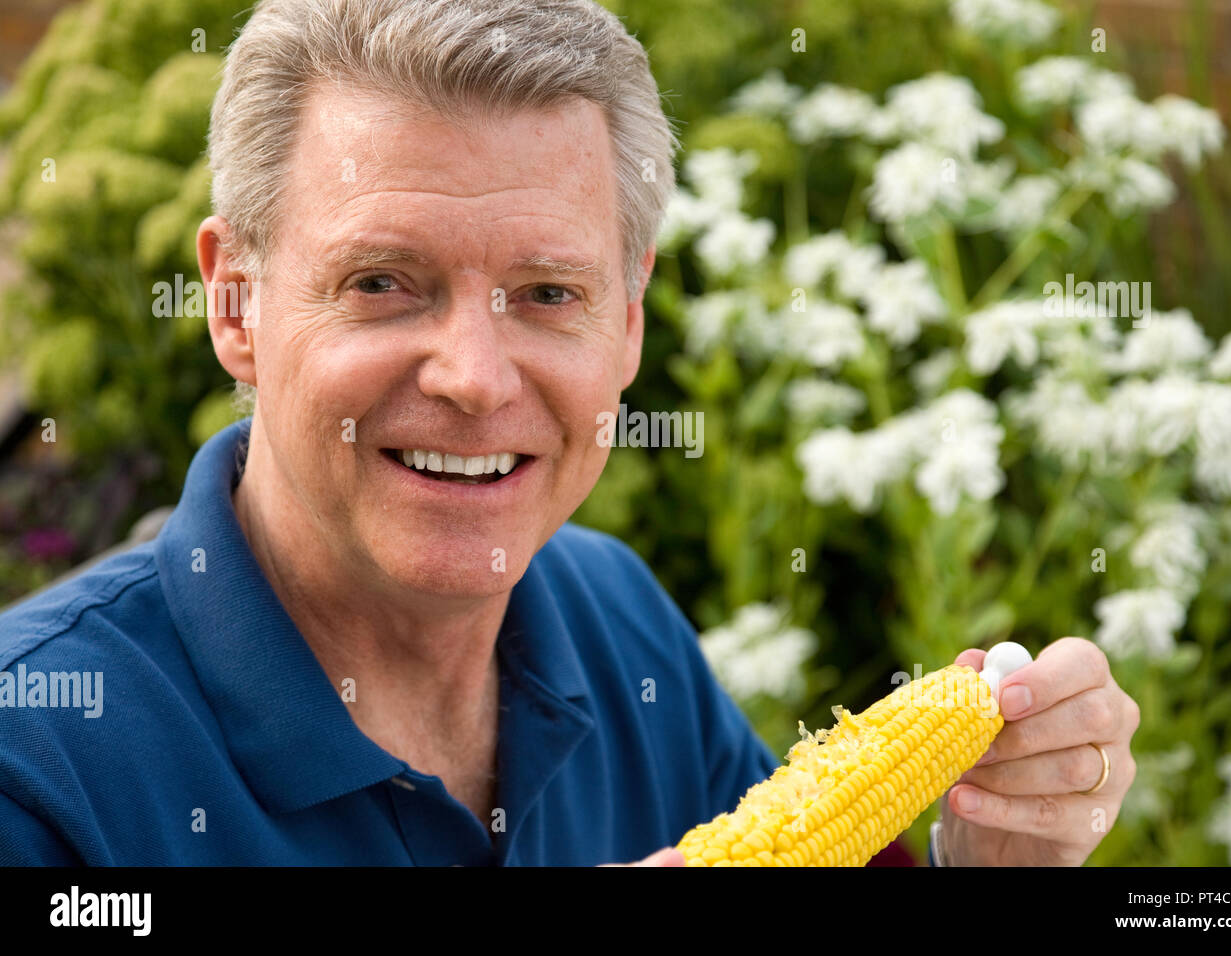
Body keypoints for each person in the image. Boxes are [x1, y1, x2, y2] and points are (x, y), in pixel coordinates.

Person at [0, 0, 1138, 866]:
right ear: (235, 301)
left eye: (548, 293)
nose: (473, 377)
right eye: (384, 281)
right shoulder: (40, 765)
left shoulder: (614, 621)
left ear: (630, 321)